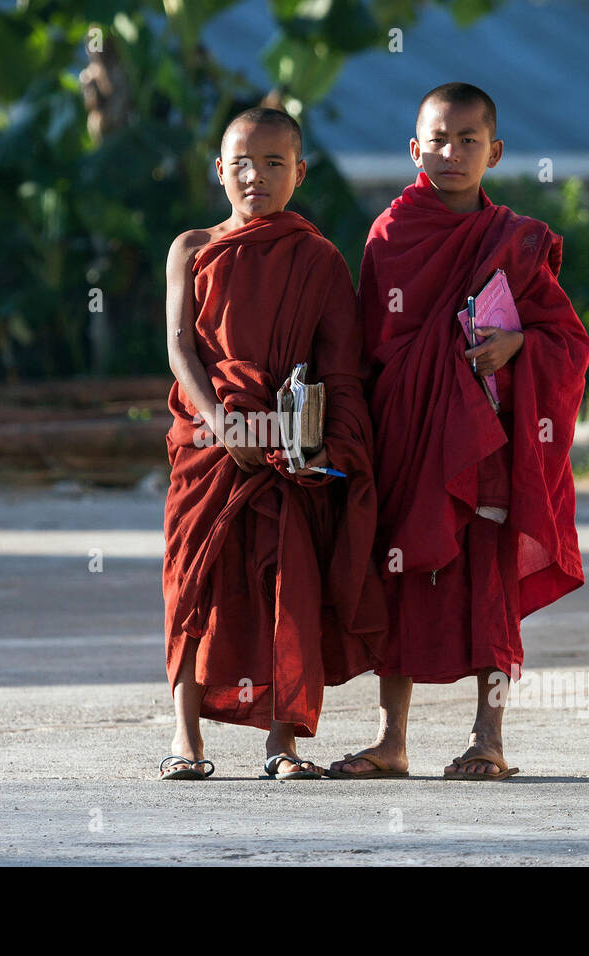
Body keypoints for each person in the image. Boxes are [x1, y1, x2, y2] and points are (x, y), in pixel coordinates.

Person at [327, 83, 589, 781]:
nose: (451, 153)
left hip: (484, 444)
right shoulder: (391, 233)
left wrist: (519, 347)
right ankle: (391, 740)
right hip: (408, 437)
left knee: (488, 585)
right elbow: (370, 345)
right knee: (400, 578)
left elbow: (567, 339)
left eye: (468, 140)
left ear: (494, 152)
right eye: (437, 140)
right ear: (414, 150)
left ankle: (489, 737)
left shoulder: (515, 241)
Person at [160, 107, 386, 782]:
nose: (256, 177)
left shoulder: (317, 258)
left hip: (285, 448)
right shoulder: (192, 246)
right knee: (193, 585)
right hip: (207, 442)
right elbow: (179, 348)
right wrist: (221, 424)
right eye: (242, 163)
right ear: (219, 170)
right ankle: (186, 739)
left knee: (289, 586)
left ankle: (281, 742)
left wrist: (325, 449)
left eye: (274, 163)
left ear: (300, 172)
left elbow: (340, 367)